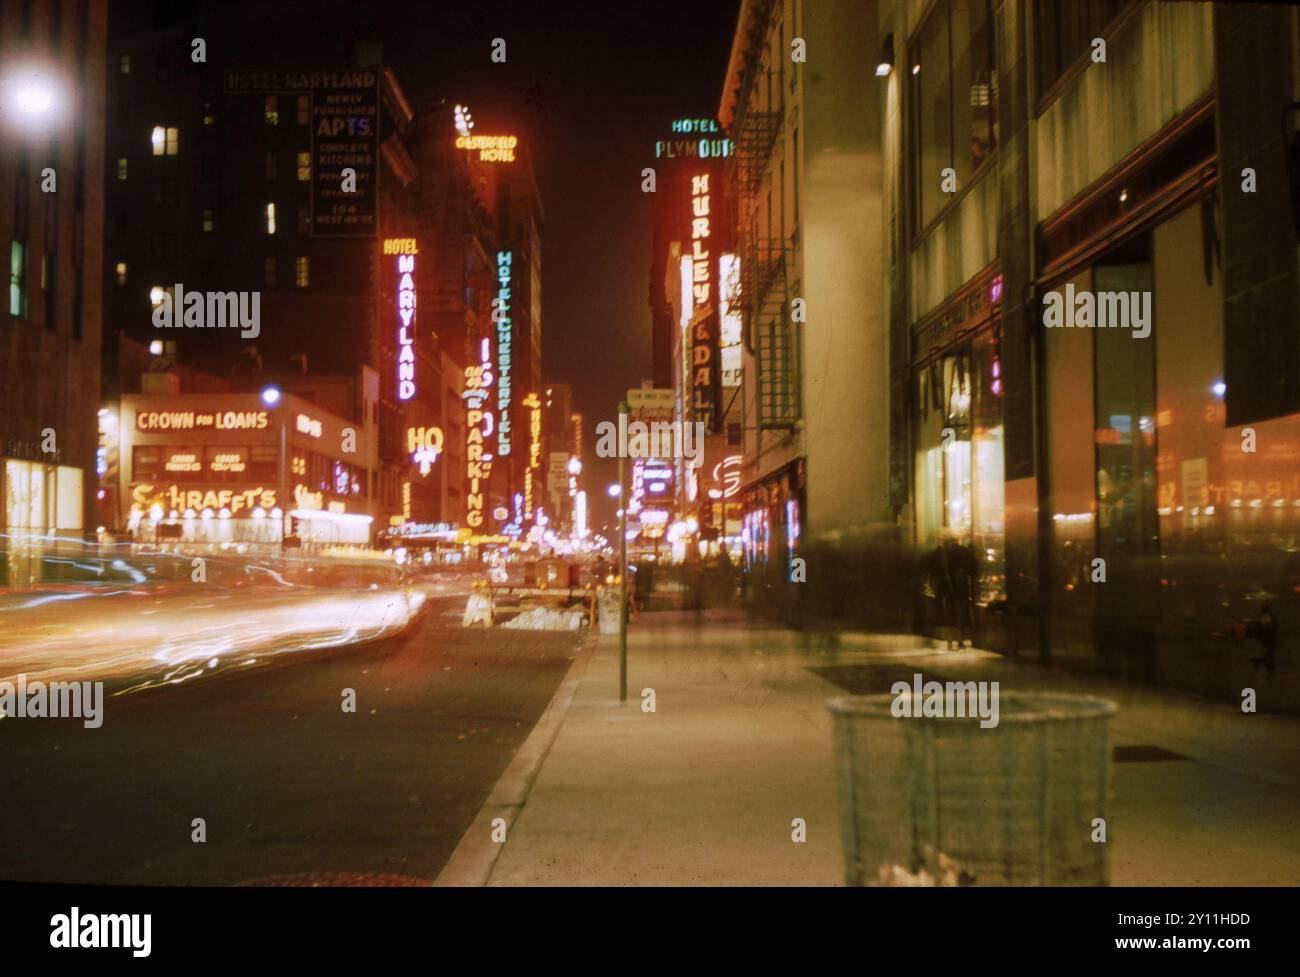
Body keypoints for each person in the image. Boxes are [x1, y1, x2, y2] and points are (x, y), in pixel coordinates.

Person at [926, 531, 978, 650]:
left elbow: (932, 568)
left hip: (948, 588)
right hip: (962, 587)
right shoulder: (965, 552)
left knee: (950, 613)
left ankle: (950, 640)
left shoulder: (943, 553)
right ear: (958, 540)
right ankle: (960, 640)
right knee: (962, 613)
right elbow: (973, 569)